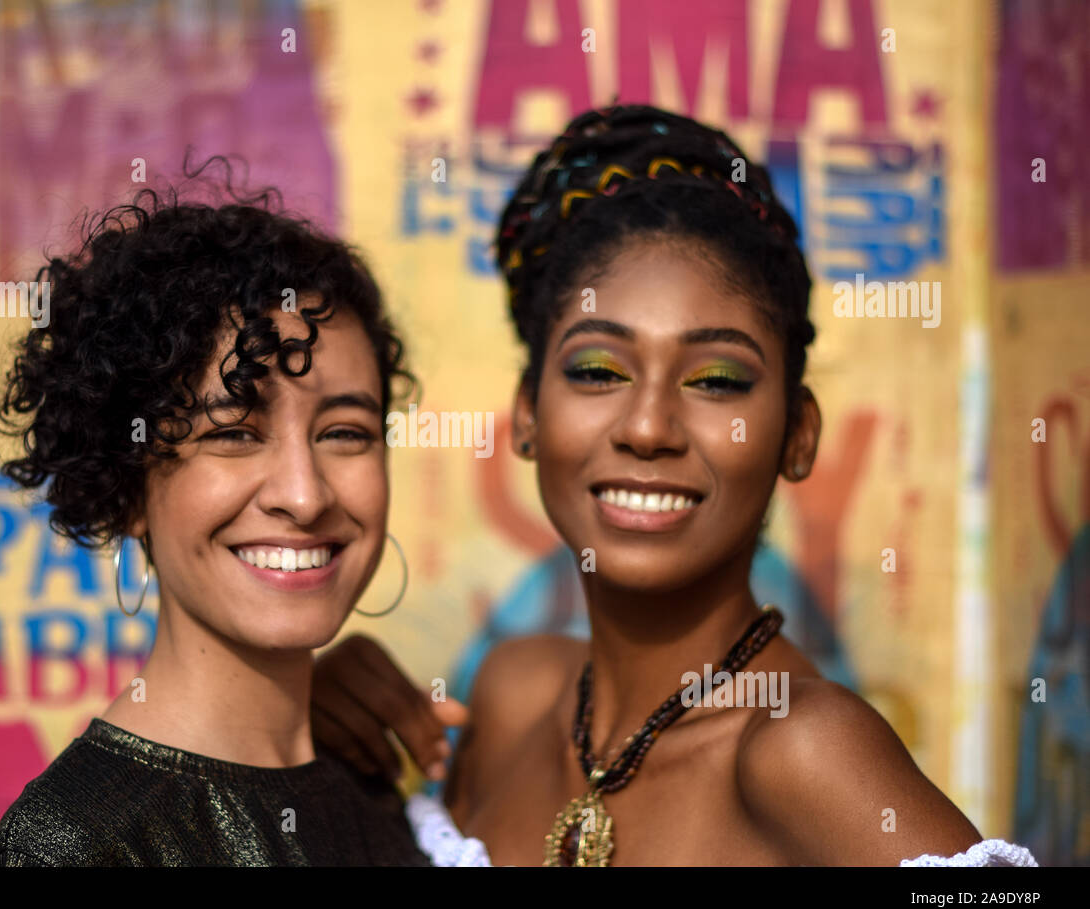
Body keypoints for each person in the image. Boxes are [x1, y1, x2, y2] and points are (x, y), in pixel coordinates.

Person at [308, 105, 1038, 867]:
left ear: (798, 435)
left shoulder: (803, 750)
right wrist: (304, 726)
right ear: (527, 415)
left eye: (717, 380)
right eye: (597, 371)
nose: (649, 427)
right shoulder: (510, 696)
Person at [0, 160, 431, 866]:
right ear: (126, 488)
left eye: (344, 433)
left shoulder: (379, 785)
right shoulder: (72, 851)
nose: (305, 496)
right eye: (233, 434)